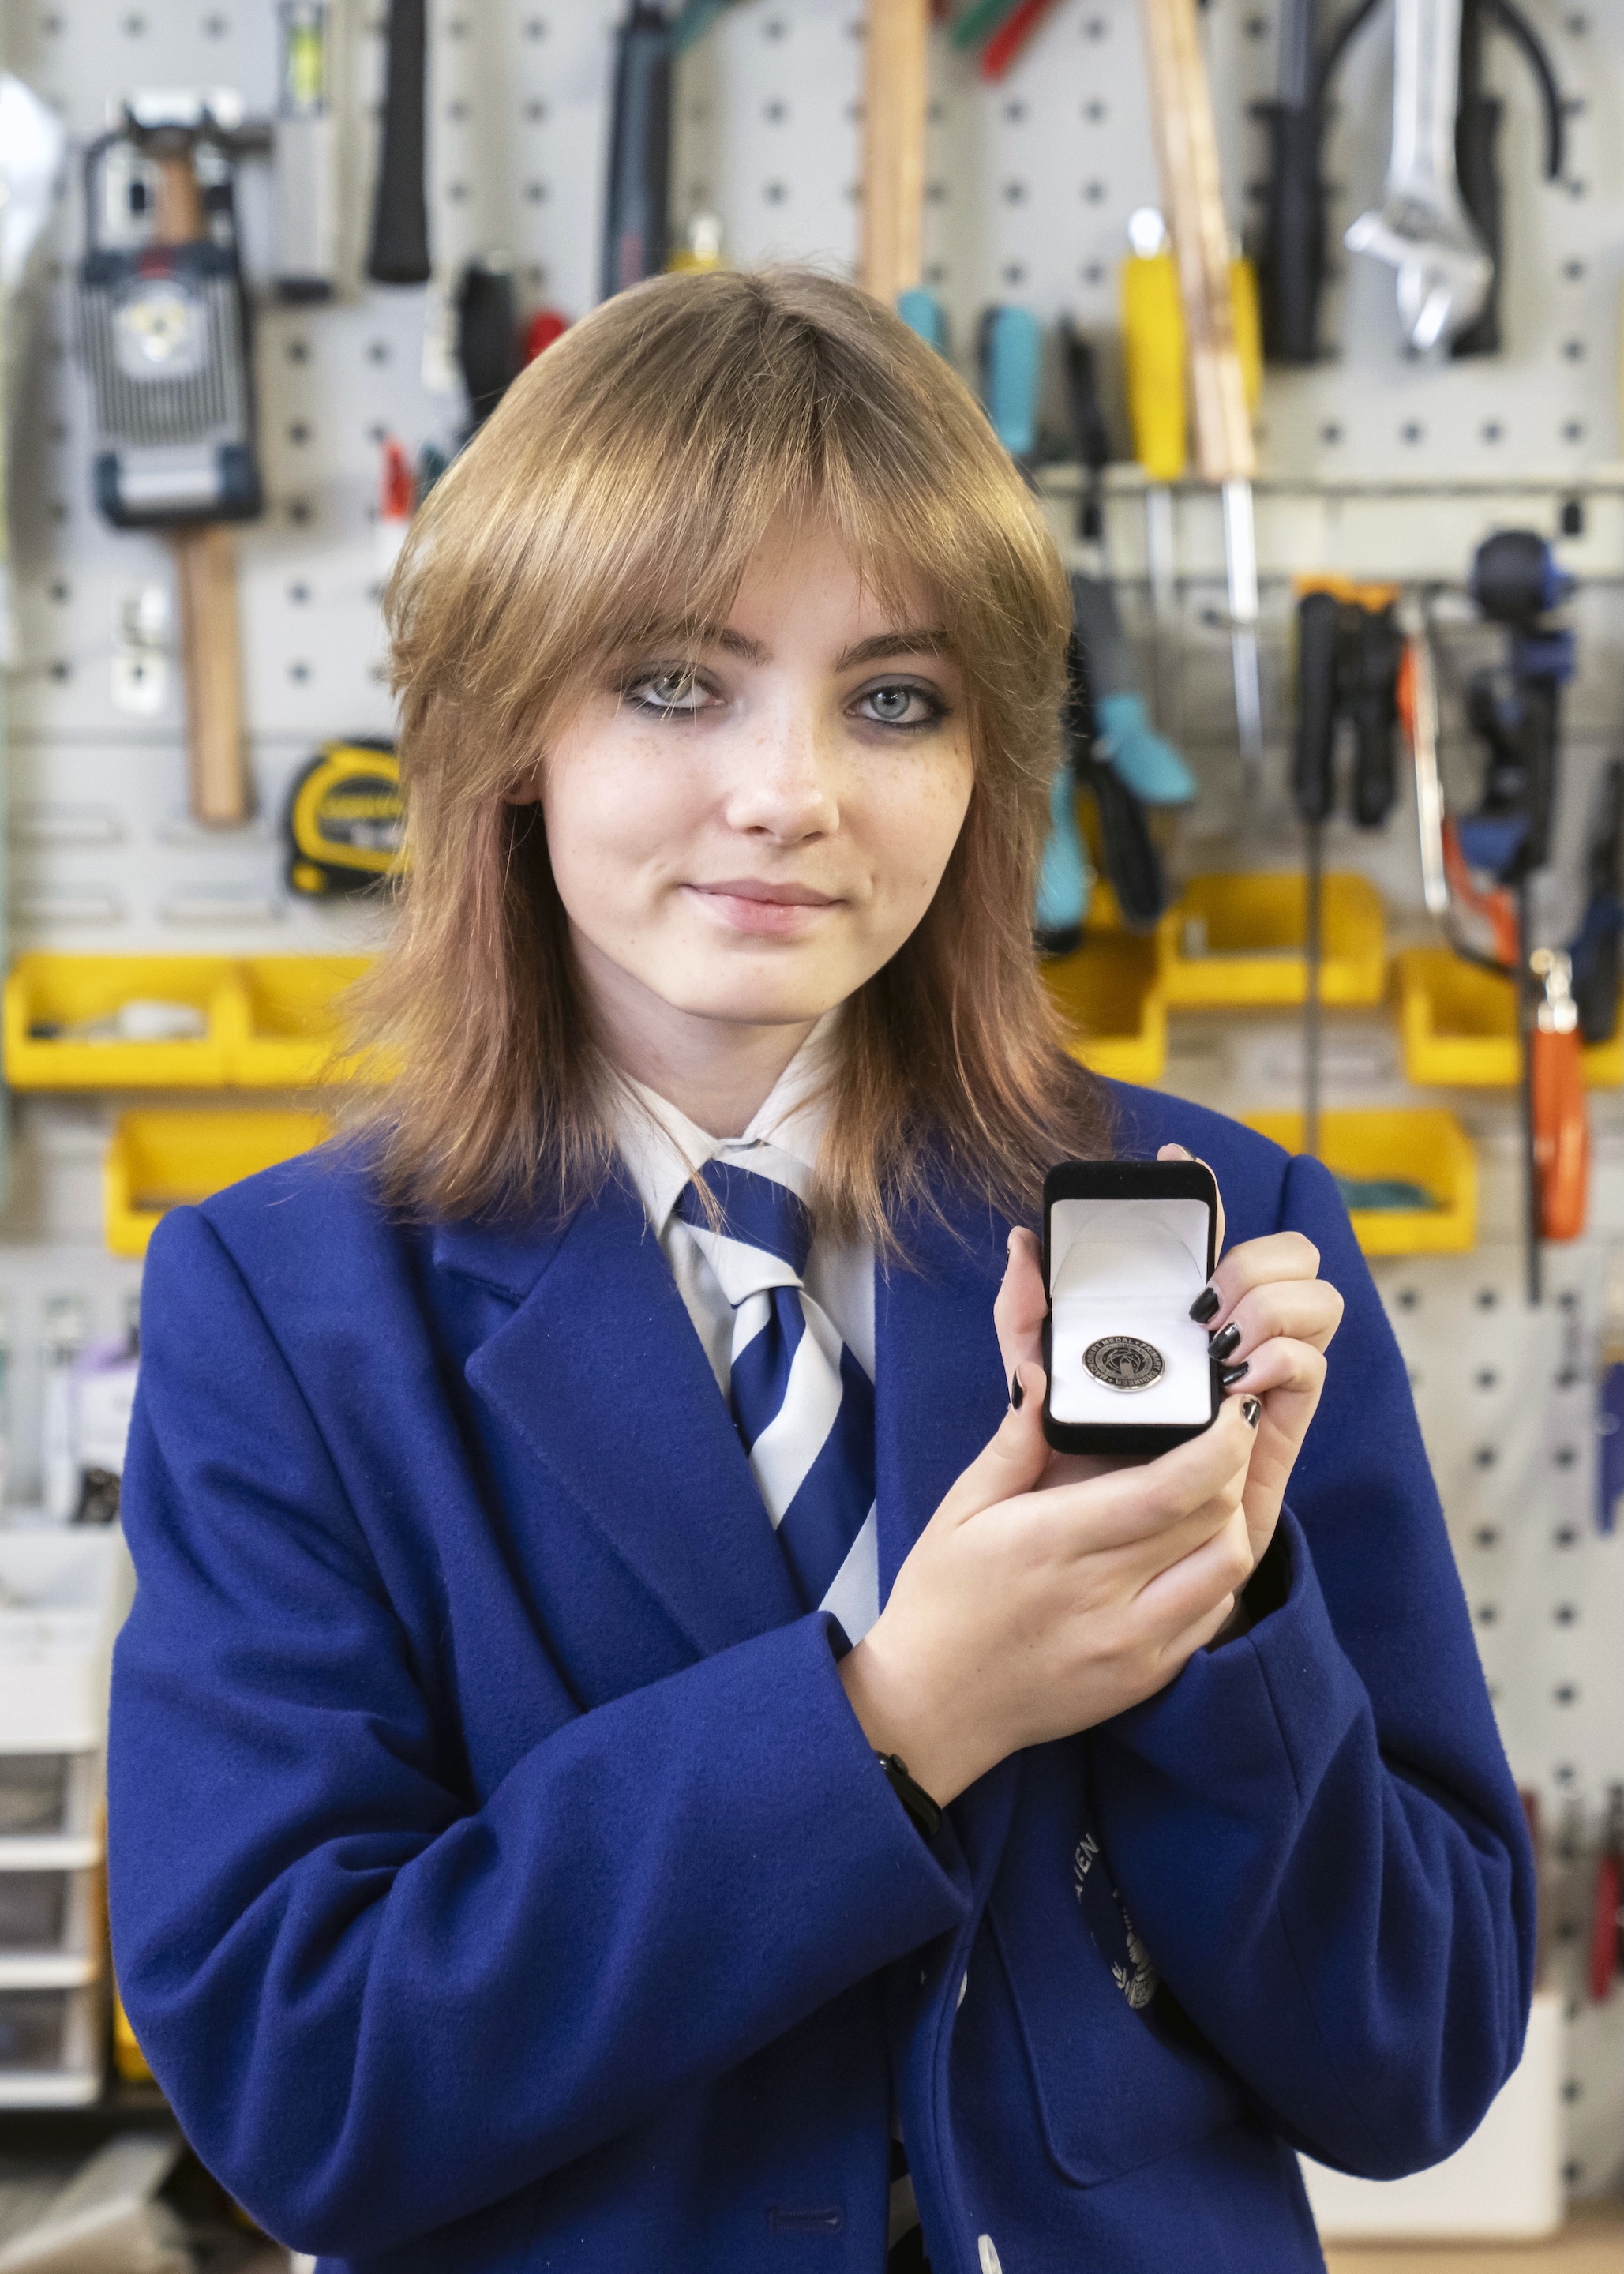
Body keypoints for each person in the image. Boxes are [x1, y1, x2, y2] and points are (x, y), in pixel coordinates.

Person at [108, 269, 1532, 2274]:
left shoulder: (1216, 1222)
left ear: (985, 766)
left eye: (895, 697)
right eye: (676, 682)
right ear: (509, 724)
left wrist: (1223, 1634)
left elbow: (1422, 2056)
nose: (792, 791)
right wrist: (898, 1715)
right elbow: (299, 2084)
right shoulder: (287, 1315)